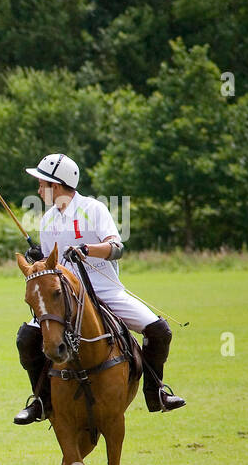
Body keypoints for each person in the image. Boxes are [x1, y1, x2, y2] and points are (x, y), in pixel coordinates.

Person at [13, 152, 186, 424]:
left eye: (41, 184)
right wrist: (39, 259)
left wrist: (87, 249)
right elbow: (50, 269)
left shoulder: (93, 209)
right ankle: (41, 401)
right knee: (26, 339)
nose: (38, 190)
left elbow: (117, 248)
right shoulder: (47, 220)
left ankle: (156, 392)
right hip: (65, 298)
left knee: (159, 331)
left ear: (55, 186)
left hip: (105, 291)